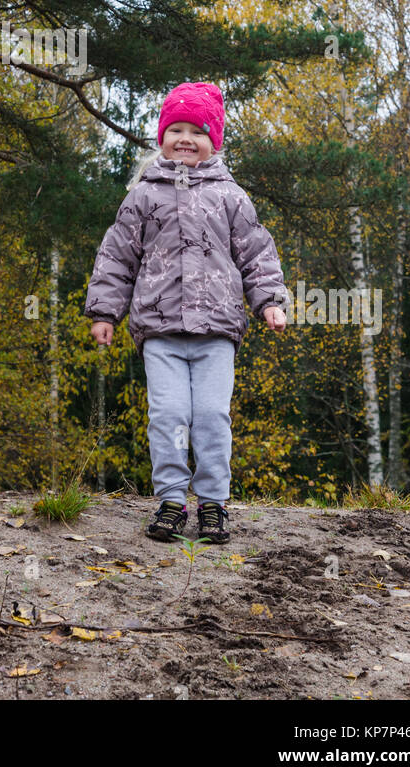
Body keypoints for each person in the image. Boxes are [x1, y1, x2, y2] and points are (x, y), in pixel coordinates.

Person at [85, 81, 288, 544]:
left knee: (213, 415)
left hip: (216, 330)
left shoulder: (231, 197)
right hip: (160, 331)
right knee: (170, 415)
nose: (185, 139)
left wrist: (270, 302)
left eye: (196, 131)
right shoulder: (142, 196)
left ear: (212, 141)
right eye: (175, 129)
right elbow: (117, 257)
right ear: (161, 138)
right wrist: (104, 312)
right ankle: (172, 501)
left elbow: (257, 253)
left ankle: (213, 502)